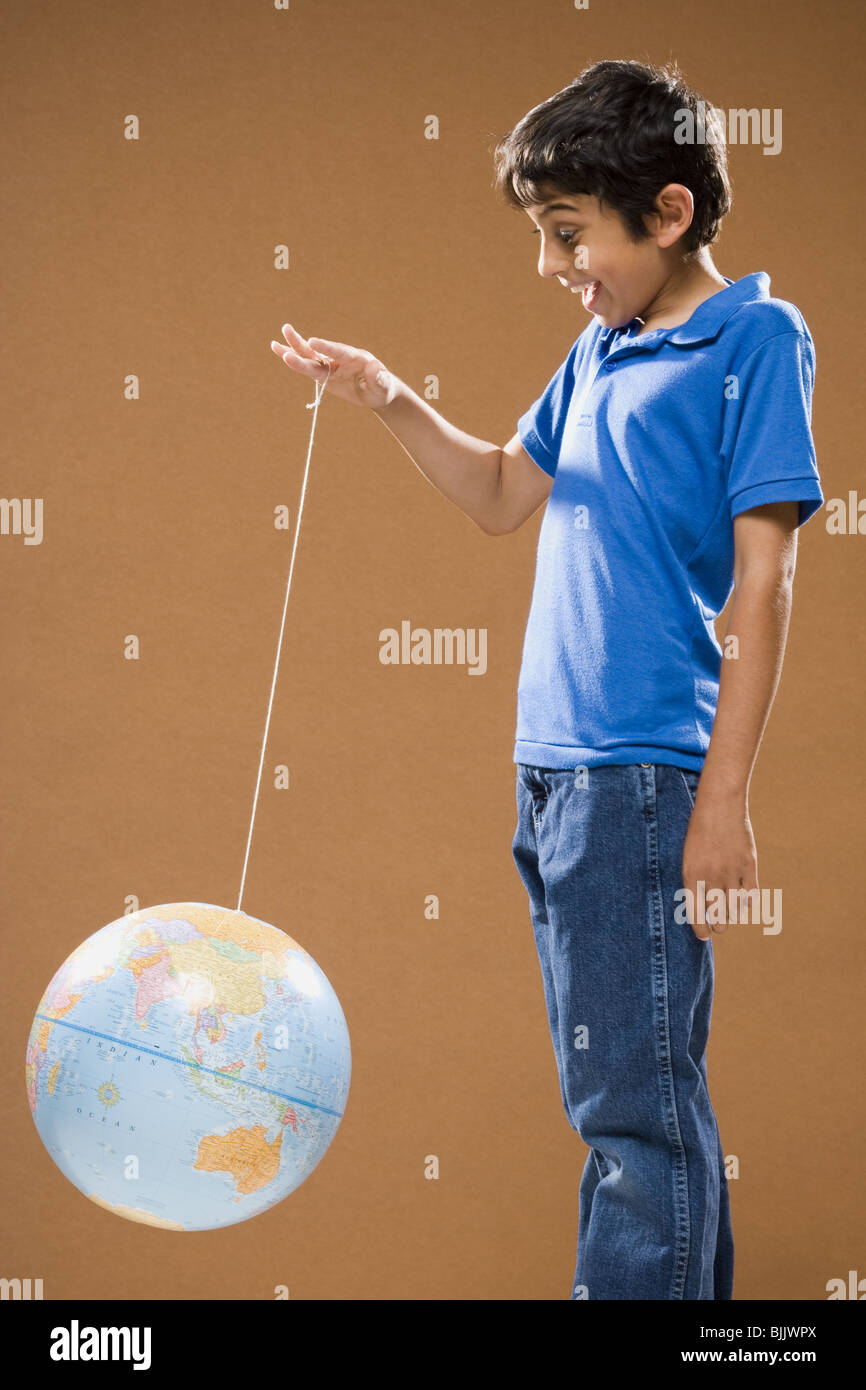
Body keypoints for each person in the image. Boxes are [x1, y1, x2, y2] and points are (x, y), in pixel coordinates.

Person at [270, 58, 824, 1300]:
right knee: (630, 1099)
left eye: (566, 233)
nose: (548, 265)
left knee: (632, 1114)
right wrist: (388, 397)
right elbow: (500, 494)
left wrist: (722, 801)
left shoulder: (752, 339)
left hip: (641, 774)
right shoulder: (598, 346)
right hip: (555, 777)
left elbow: (762, 583)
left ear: (668, 211)